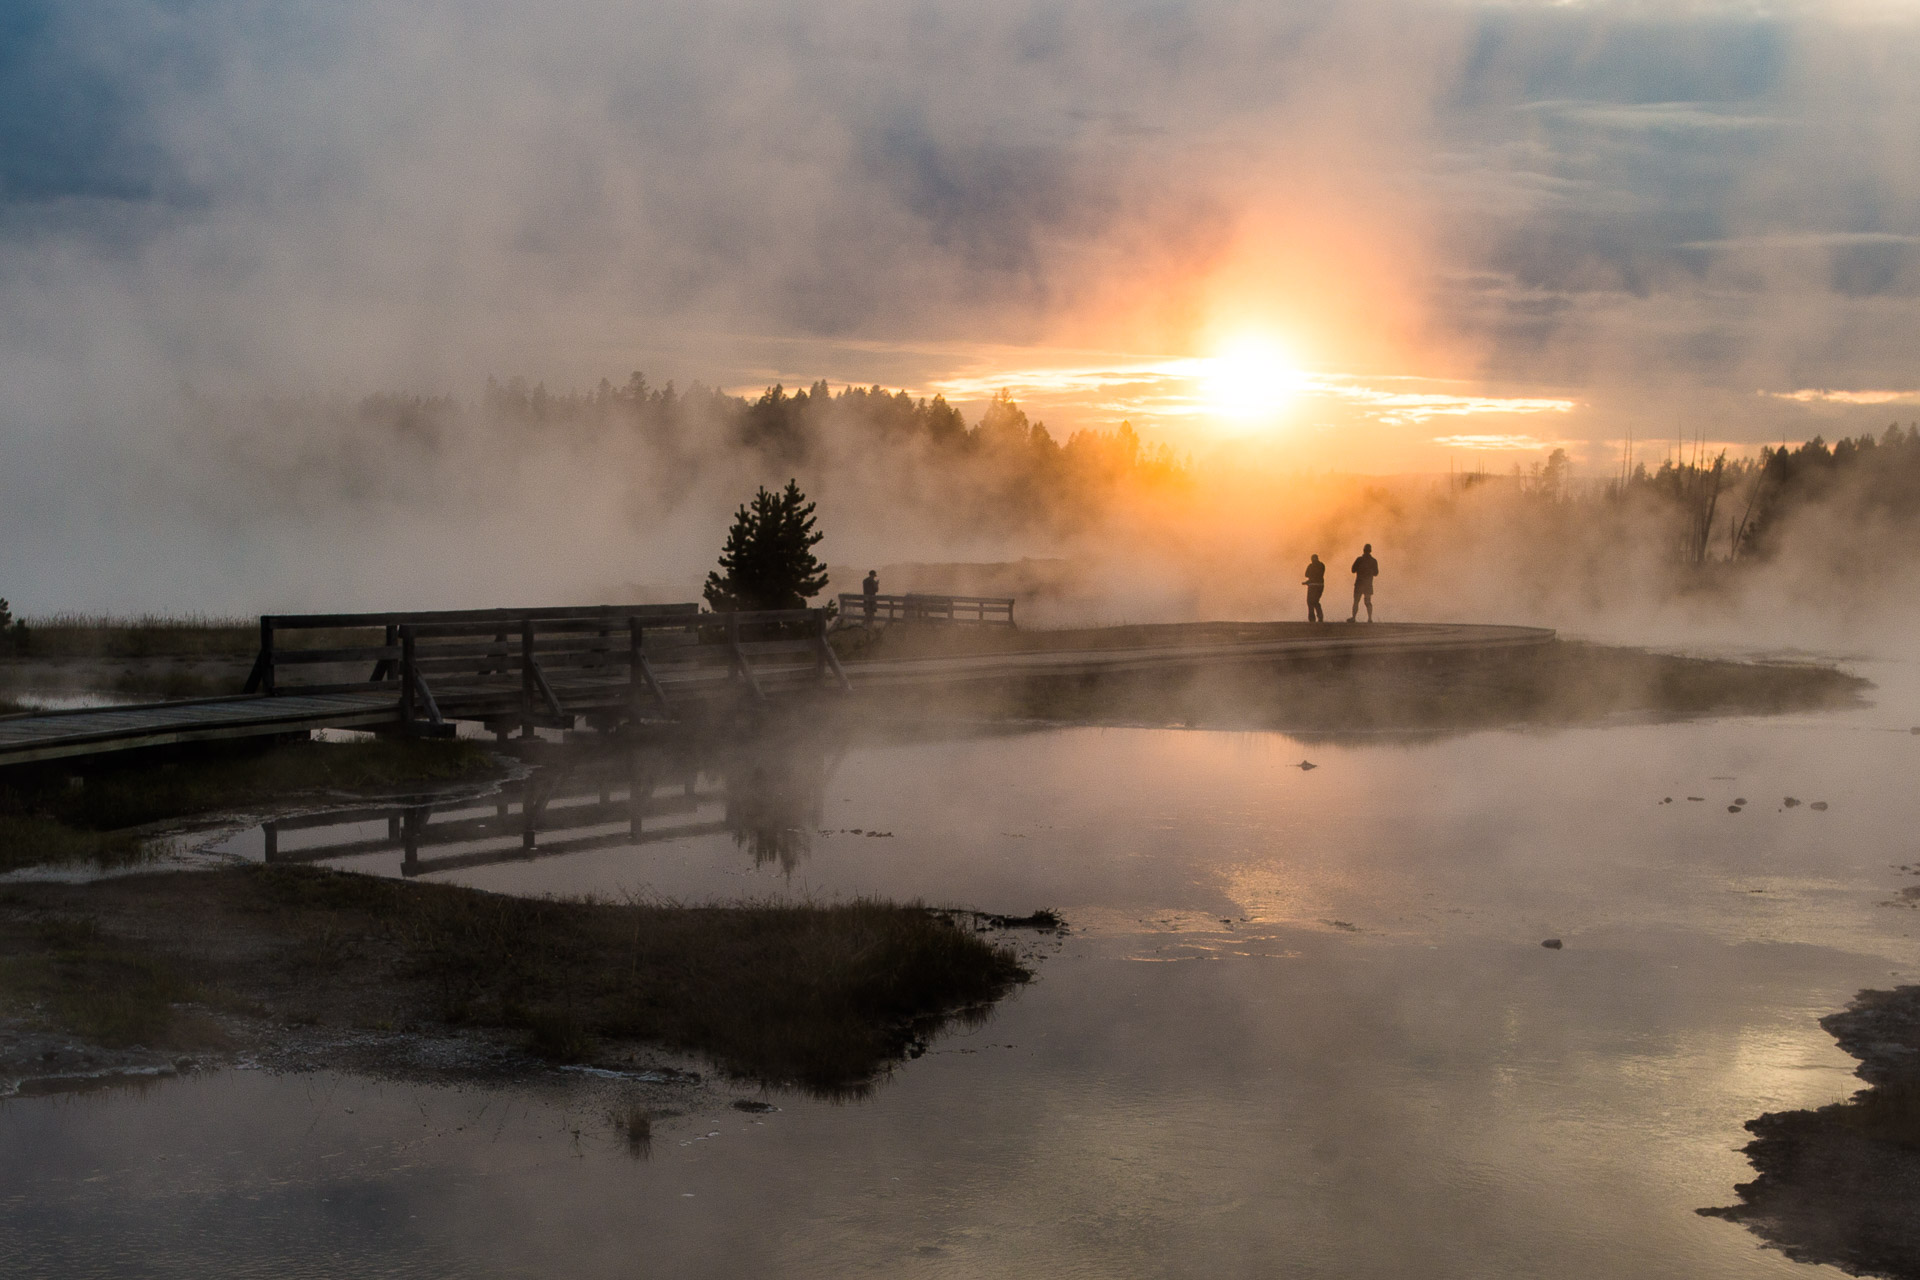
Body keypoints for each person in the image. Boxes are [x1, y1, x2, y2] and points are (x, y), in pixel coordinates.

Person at [1348, 544, 1379, 622]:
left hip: (1359, 583)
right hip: (1368, 584)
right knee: (1368, 602)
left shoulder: (1359, 559)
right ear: (1370, 551)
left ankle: (1354, 617)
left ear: (1363, 550)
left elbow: (1353, 570)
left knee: (1356, 601)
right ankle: (1370, 618)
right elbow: (1376, 573)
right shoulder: (1373, 561)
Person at [1302, 554, 1326, 622]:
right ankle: (1320, 616)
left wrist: (1309, 579)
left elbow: (1306, 574)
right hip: (1320, 585)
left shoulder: (1311, 566)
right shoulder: (1322, 565)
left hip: (1312, 585)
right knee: (1316, 601)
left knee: (1310, 602)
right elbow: (1321, 574)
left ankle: (1312, 619)